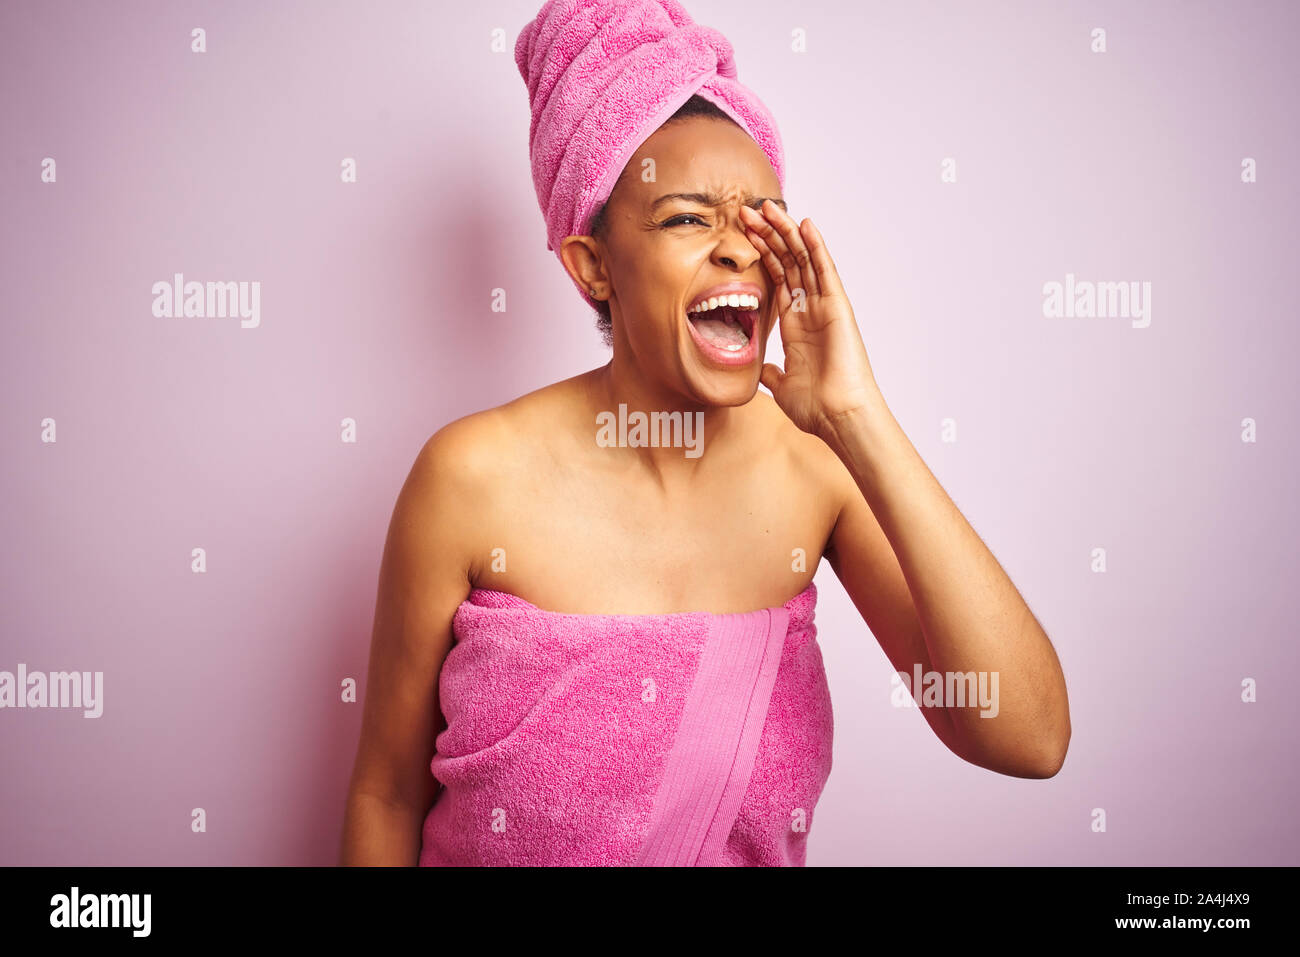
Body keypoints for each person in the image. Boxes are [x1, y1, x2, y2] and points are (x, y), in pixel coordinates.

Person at [340, 0, 1070, 867]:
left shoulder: (818, 470)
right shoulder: (469, 478)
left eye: (761, 216)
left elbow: (1028, 739)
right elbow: (385, 792)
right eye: (688, 218)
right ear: (594, 264)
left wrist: (859, 417)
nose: (739, 250)